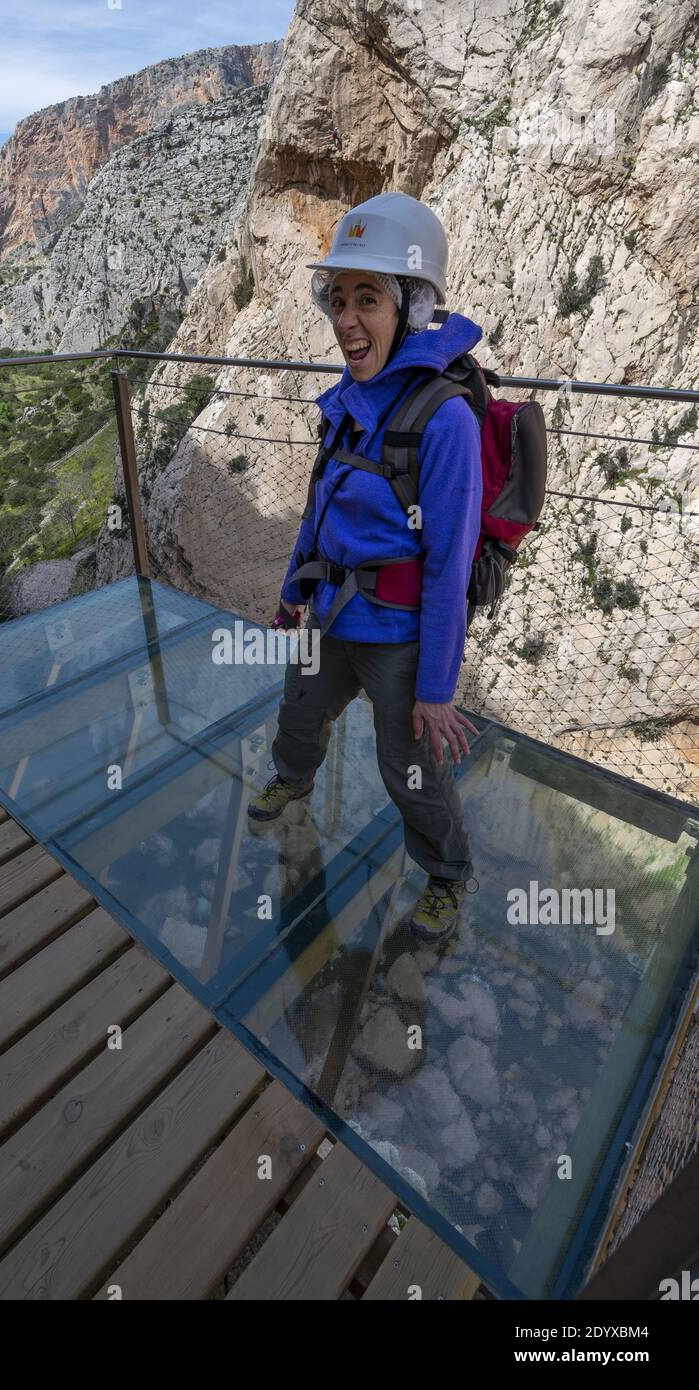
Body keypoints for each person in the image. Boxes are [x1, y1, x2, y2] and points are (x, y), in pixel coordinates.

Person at [248, 191, 482, 945]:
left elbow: (448, 567)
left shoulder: (442, 420)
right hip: (333, 613)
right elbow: (319, 510)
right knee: (299, 710)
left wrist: (437, 689)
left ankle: (446, 874)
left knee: (406, 769)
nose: (346, 319)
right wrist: (293, 597)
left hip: (399, 638)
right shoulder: (346, 402)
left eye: (368, 300)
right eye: (339, 299)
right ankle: (294, 778)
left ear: (410, 308)